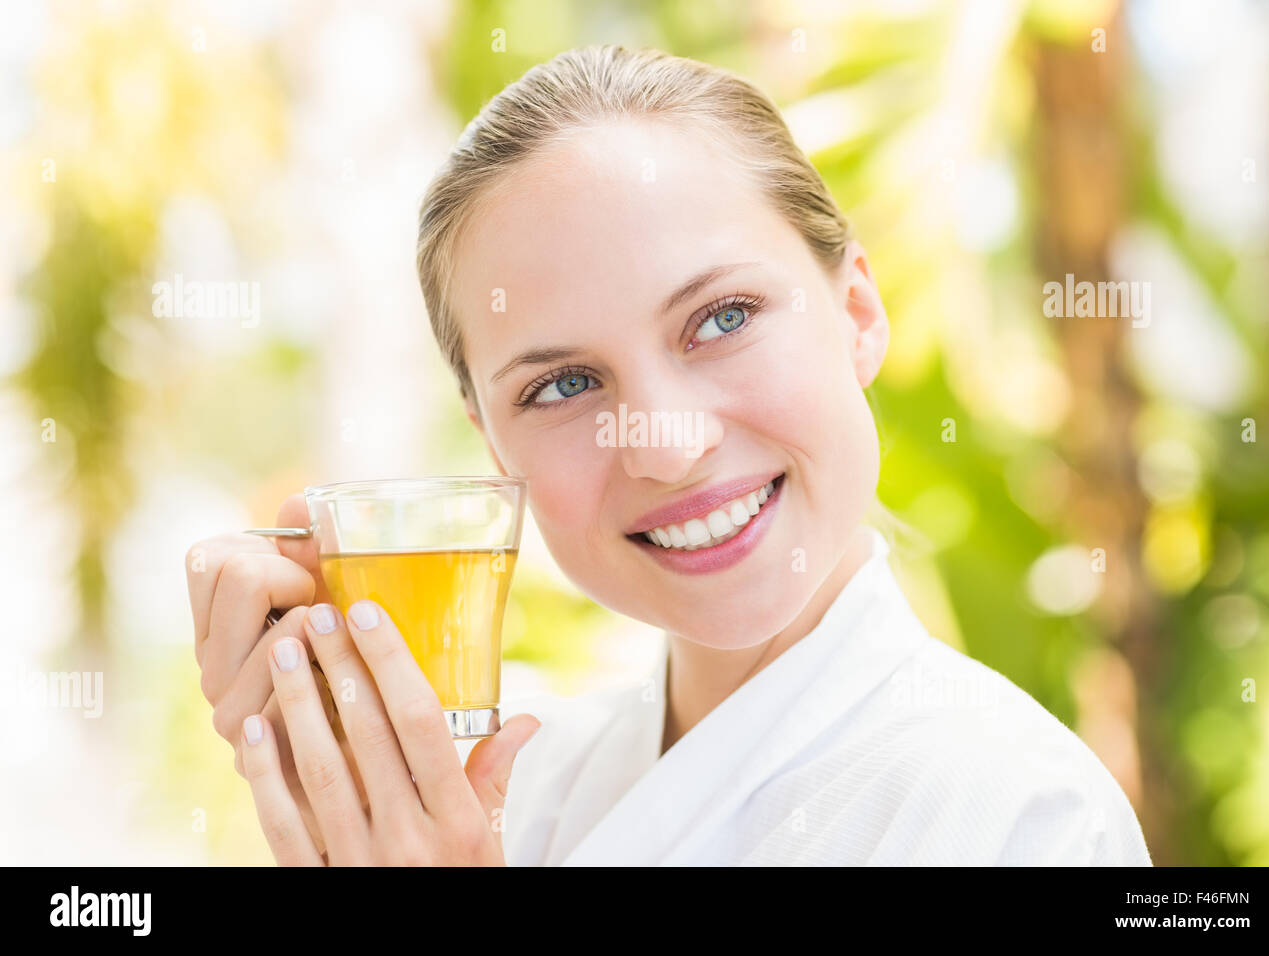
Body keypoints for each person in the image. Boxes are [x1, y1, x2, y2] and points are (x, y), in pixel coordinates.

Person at [185, 44, 1152, 866]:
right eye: (562, 386)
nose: (667, 446)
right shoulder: (506, 803)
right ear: (491, 447)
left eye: (722, 319)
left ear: (856, 311)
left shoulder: (1019, 820)